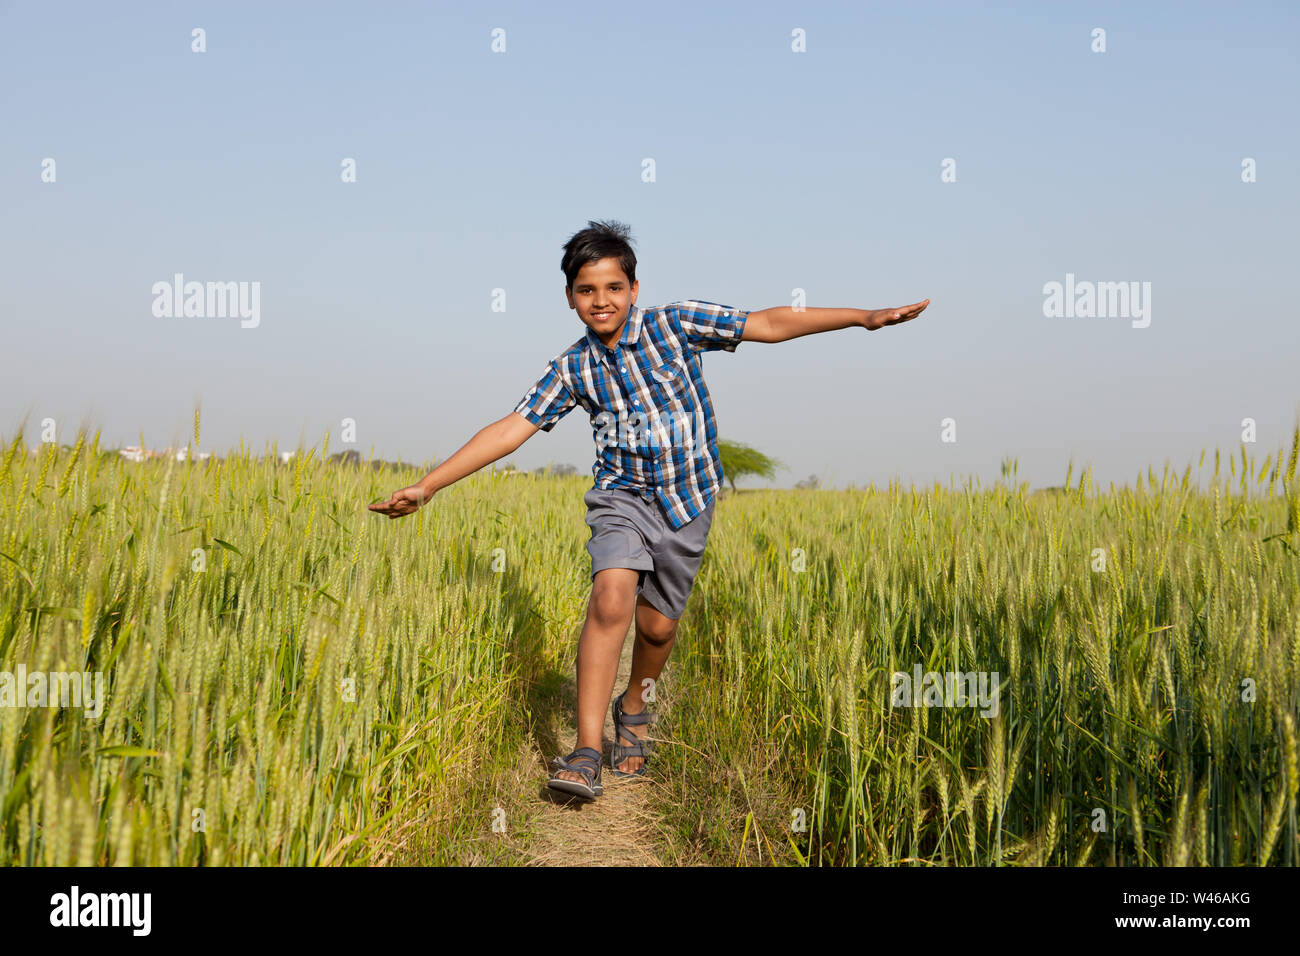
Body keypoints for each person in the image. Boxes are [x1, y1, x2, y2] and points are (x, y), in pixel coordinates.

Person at [368, 219, 929, 801]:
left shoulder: (675, 324)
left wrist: (863, 318)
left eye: (613, 287)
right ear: (570, 299)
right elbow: (512, 429)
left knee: (658, 626)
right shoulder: (573, 368)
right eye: (587, 291)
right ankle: (586, 752)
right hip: (622, 496)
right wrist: (429, 486)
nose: (601, 301)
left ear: (634, 289)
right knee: (611, 594)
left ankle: (634, 702)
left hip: (689, 498)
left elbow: (768, 323)